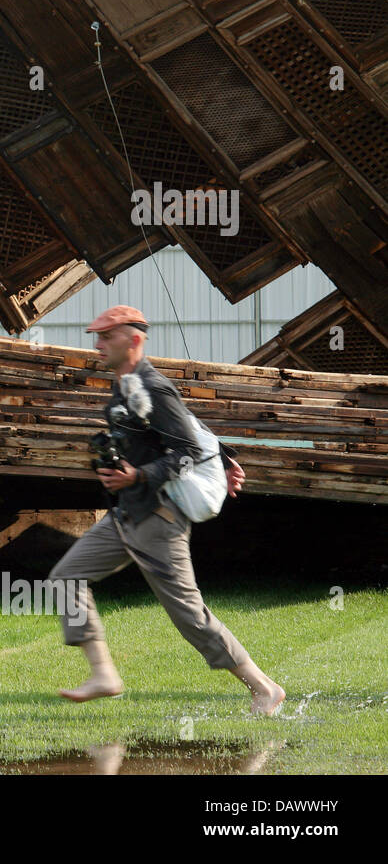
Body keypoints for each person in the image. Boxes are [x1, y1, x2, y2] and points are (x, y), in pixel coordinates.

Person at [47, 305, 286, 715]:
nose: (97, 344)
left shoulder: (153, 387)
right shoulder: (125, 384)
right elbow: (190, 431)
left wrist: (136, 477)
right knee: (65, 577)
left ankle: (264, 688)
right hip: (126, 515)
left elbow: (188, 450)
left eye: (106, 337)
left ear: (133, 339)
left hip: (158, 519)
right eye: (98, 336)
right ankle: (103, 673)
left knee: (189, 616)